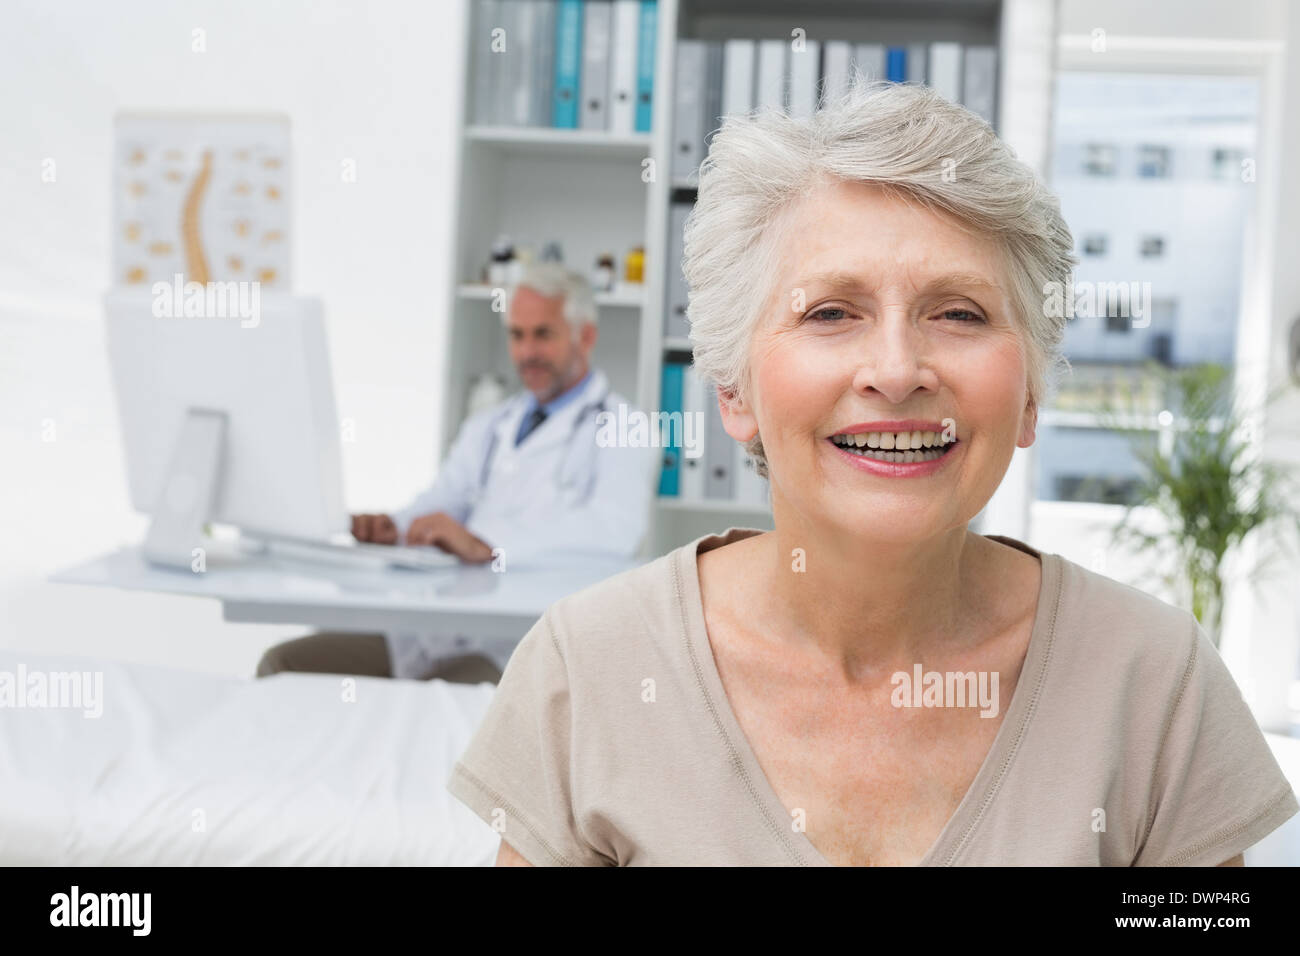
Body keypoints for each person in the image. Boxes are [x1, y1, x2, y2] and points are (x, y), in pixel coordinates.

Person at [445, 82, 1299, 865]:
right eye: (830, 312)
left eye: (959, 312)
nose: (897, 370)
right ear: (733, 393)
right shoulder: (587, 667)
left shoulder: (1155, 683)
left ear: (1032, 395)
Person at [256, 263, 660, 683]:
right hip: (434, 626)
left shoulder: (625, 429)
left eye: (543, 334)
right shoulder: (490, 424)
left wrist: (487, 545)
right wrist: (394, 527)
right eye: (516, 335)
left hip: (521, 644)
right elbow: (446, 496)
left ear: (586, 336)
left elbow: (615, 532)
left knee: (452, 700)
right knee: (282, 666)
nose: (526, 353)